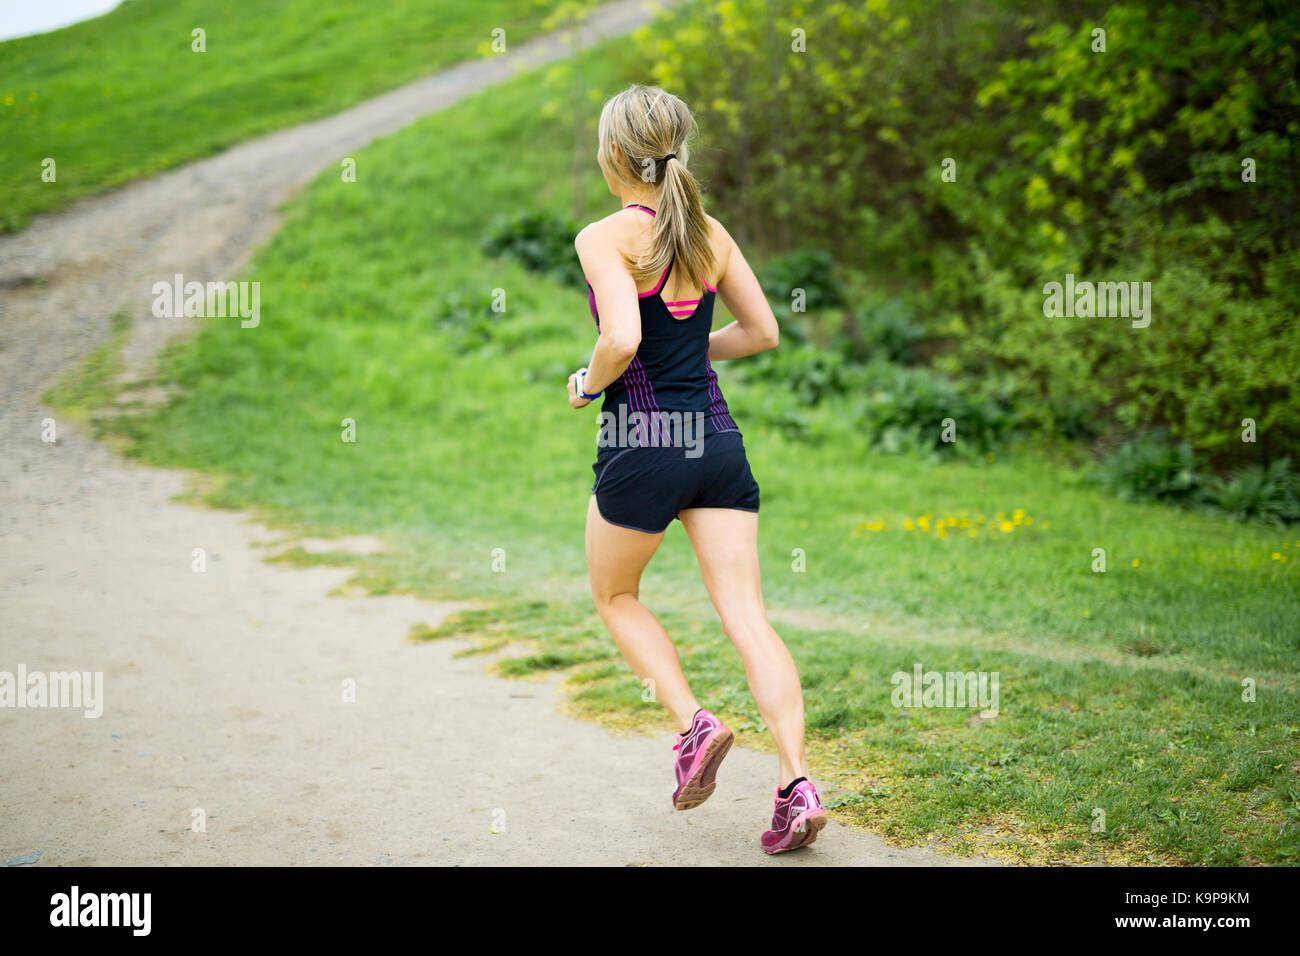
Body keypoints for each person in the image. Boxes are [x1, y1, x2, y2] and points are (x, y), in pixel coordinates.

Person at [566, 85, 828, 854]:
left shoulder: (604, 236)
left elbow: (618, 337)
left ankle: (694, 725)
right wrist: (683, 352)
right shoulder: (711, 233)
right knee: (748, 618)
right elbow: (764, 331)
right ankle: (796, 784)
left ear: (615, 153)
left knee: (615, 595)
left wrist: (588, 382)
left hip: (644, 440)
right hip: (715, 441)